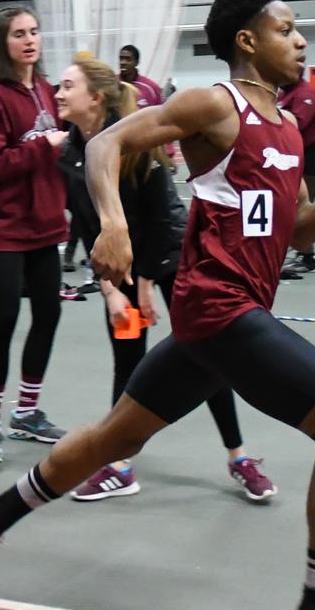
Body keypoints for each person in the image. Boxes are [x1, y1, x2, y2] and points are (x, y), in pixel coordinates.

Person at [0, 0, 315, 610]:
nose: (303, 40)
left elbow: (298, 233)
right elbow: (104, 149)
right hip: (220, 308)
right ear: (249, 41)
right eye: (289, 29)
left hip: (229, 314)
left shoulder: (284, 126)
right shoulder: (212, 107)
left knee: (116, 436)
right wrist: (115, 223)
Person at [52, 55, 274, 503]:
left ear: (94, 98)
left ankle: (239, 457)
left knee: (208, 357)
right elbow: (90, 228)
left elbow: (160, 220)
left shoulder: (134, 140)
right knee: (127, 358)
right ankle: (119, 467)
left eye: (67, 86)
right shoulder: (72, 155)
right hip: (123, 269)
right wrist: (112, 293)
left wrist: (148, 284)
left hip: (173, 261)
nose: (58, 93)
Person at [0, 7, 70, 466]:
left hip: (45, 226)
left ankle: (26, 411)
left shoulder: (48, 92)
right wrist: (39, 147)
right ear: (2, 43)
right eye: (18, 34)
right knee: (5, 319)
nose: (29, 40)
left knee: (48, 315)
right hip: (3, 228)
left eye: (34, 31)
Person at [280, 69, 315, 274]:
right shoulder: (286, 93)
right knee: (291, 207)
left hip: (312, 158)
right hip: (298, 157)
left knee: (299, 209)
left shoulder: (305, 94)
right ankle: (303, 253)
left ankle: (308, 258)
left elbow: (294, 125)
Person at [117, 43, 163, 107]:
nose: (123, 62)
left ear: (137, 62)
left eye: (128, 59)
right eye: (121, 58)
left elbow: (159, 113)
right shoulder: (111, 84)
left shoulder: (151, 87)